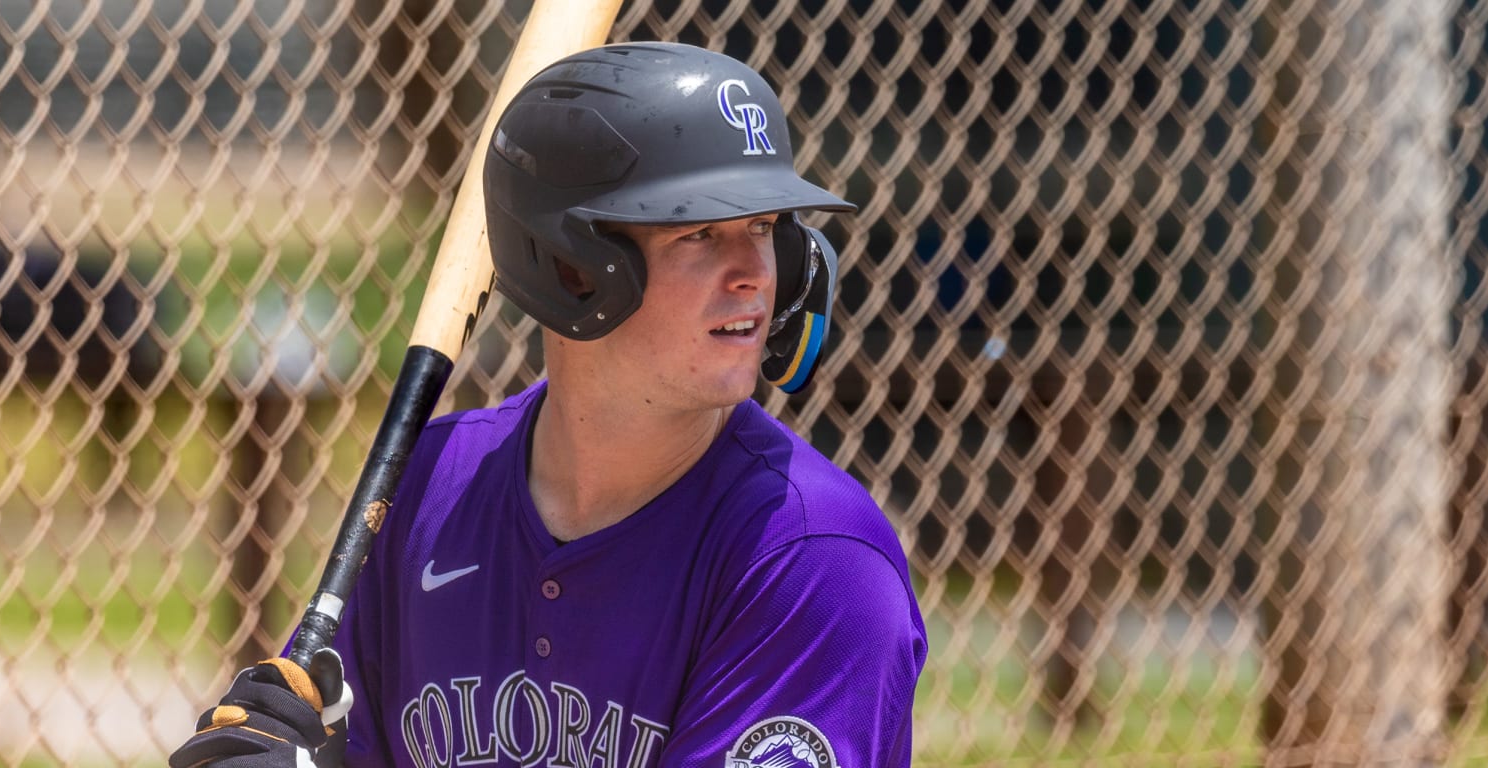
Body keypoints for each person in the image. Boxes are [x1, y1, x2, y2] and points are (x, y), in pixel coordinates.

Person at [170, 41, 927, 768]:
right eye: (699, 232)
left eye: (763, 230)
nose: (752, 275)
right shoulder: (430, 484)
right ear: (573, 269)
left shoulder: (814, 559)